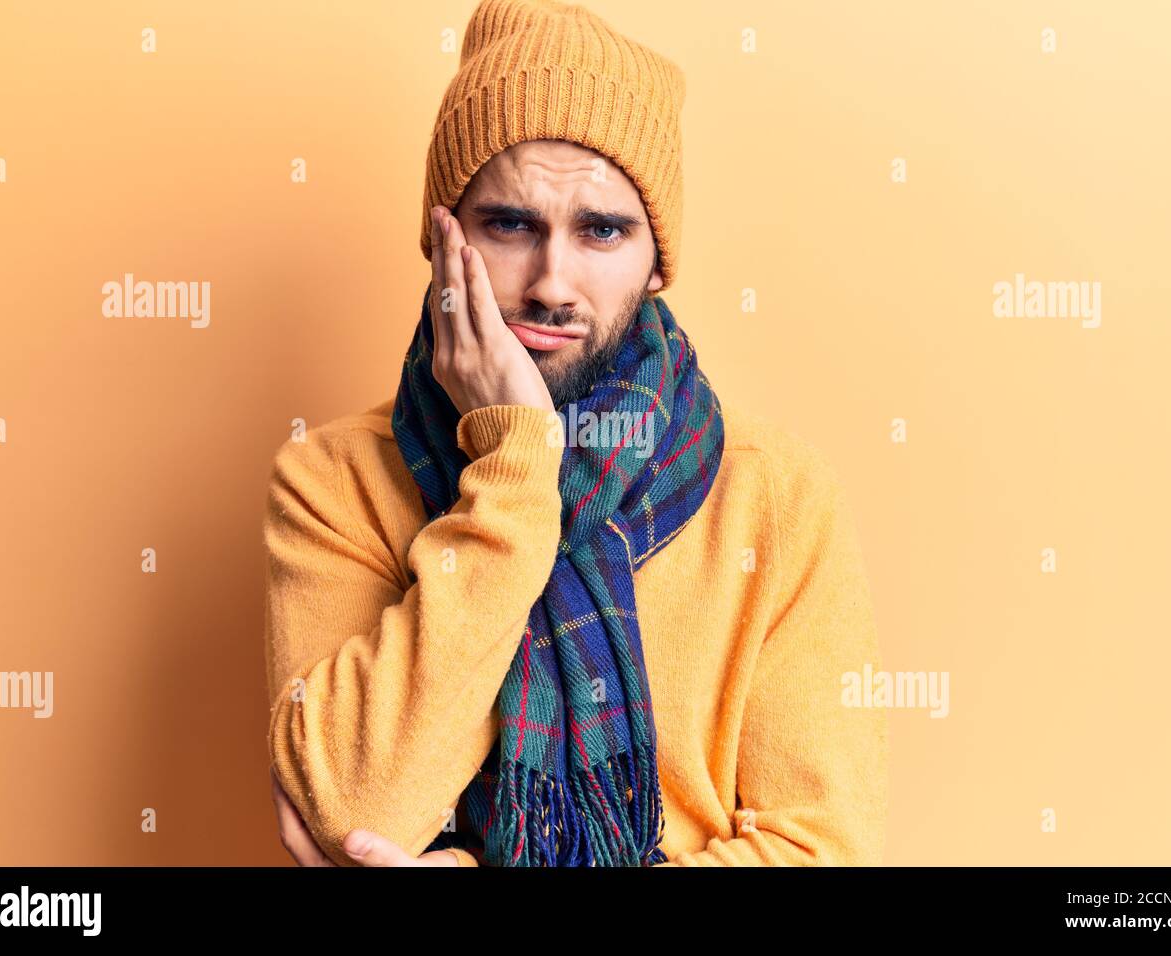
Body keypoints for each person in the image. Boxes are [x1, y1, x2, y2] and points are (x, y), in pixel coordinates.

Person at [264, 0, 887, 867]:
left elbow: (826, 852)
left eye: (601, 230)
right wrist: (517, 458)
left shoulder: (777, 497)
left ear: (657, 261)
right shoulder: (332, 483)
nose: (552, 283)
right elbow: (356, 808)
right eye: (511, 224)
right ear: (442, 239)